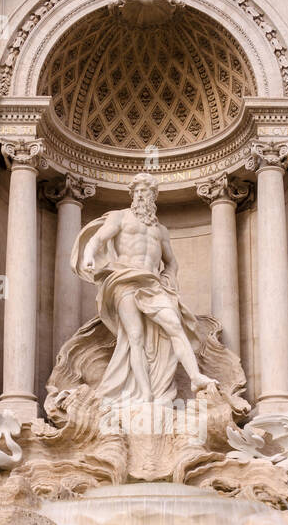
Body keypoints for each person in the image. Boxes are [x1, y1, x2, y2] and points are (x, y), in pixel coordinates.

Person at [72, 173, 217, 405]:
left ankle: (195, 376)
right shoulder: (120, 218)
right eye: (137, 191)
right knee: (135, 336)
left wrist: (169, 278)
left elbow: (171, 262)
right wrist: (88, 255)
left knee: (175, 325)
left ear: (153, 197)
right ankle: (145, 393)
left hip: (152, 284)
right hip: (124, 280)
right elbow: (98, 240)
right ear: (132, 195)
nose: (141, 195)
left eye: (146, 191)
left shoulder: (160, 231)